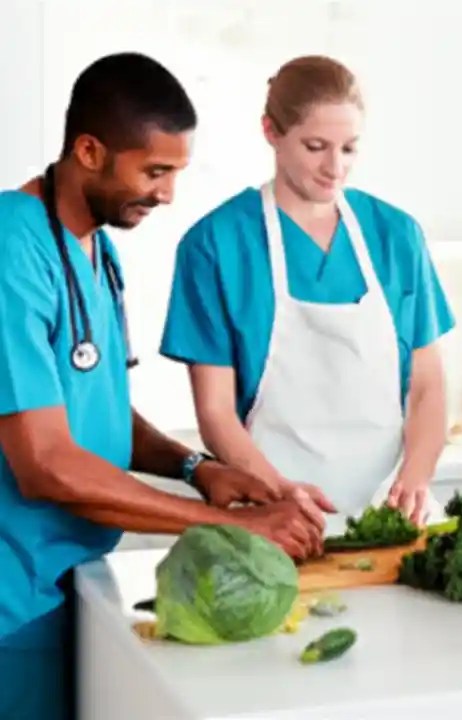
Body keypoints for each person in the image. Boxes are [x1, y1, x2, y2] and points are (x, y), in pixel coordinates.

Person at [0, 53, 326, 720]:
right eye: (154, 171)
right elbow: (47, 466)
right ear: (89, 151)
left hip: (76, 585)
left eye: (175, 172)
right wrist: (235, 529)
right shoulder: (10, 250)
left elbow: (104, 410)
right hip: (12, 600)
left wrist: (194, 467)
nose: (169, 194)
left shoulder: (99, 252)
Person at [159, 55, 456, 533]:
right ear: (271, 132)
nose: (334, 167)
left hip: (389, 512)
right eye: (316, 146)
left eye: (350, 148)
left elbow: (428, 385)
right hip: (269, 515)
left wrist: (415, 478)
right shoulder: (216, 244)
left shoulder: (396, 235)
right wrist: (278, 493)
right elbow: (214, 409)